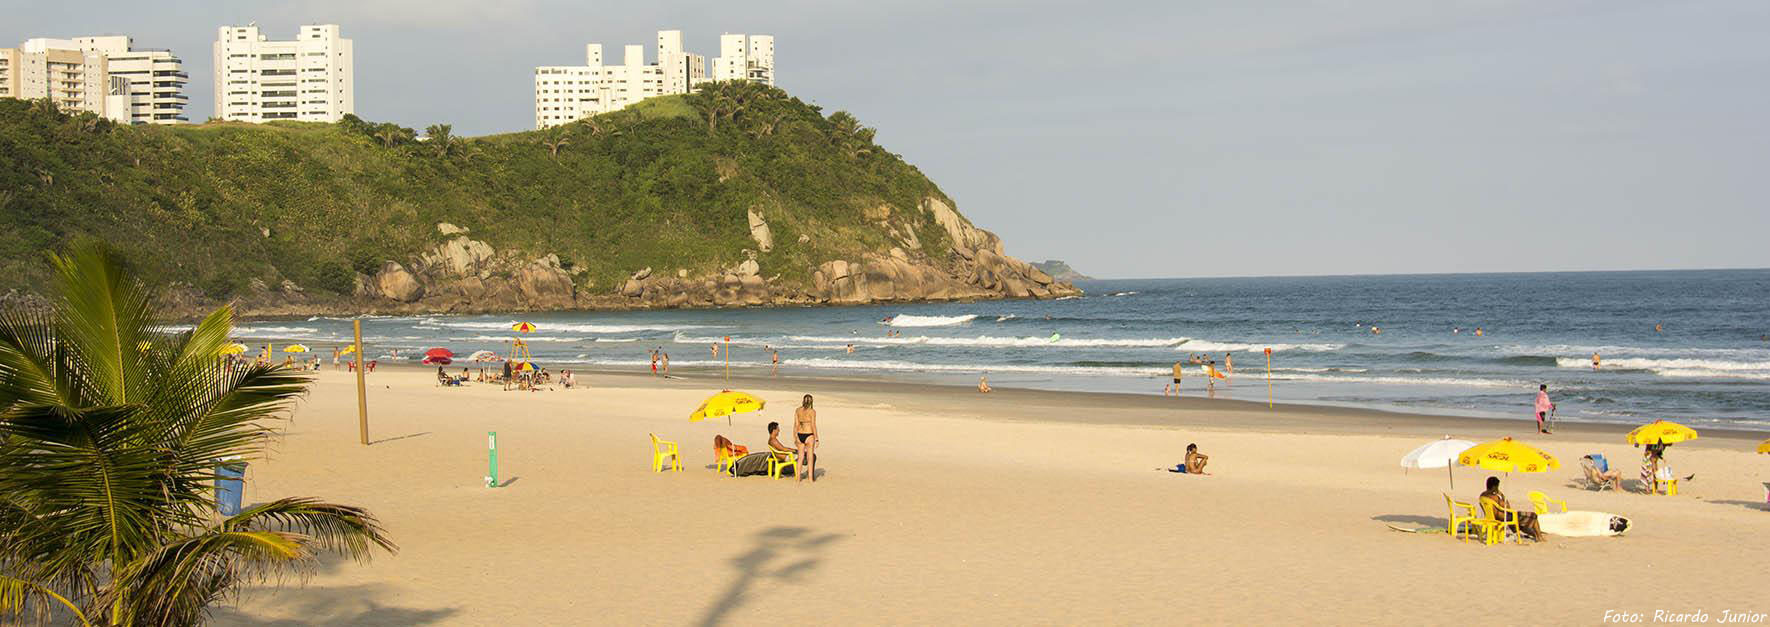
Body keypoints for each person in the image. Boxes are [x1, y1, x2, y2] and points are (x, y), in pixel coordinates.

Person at [1480, 476, 1544, 542]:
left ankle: (1535, 535)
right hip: (1504, 517)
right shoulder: (1495, 497)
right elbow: (1507, 506)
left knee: (1520, 524)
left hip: (1493, 517)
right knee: (1533, 515)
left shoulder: (1482, 495)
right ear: (1494, 487)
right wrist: (1501, 495)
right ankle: (1539, 537)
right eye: (1497, 486)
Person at [794, 394, 819, 483]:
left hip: (800, 434)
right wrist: (817, 438)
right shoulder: (812, 411)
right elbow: (813, 425)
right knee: (810, 458)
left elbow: (796, 425)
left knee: (800, 458)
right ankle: (810, 479)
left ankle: (798, 479)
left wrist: (795, 436)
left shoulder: (798, 410)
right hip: (809, 434)